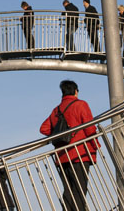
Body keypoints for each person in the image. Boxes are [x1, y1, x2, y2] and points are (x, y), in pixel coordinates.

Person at [40, 80, 98, 211]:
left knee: (68, 190)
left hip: (62, 156)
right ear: (76, 91)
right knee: (79, 190)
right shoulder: (81, 105)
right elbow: (90, 129)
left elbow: (44, 129)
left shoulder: (56, 110)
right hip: (80, 154)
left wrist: (59, 134)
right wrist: (96, 146)